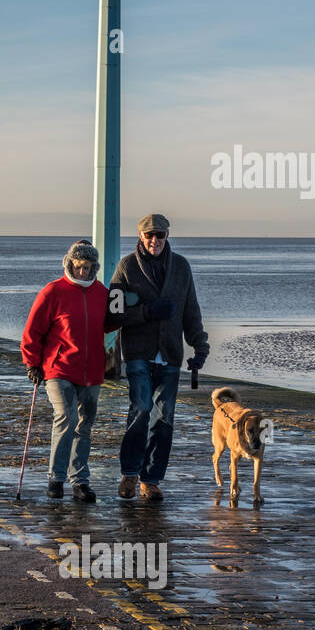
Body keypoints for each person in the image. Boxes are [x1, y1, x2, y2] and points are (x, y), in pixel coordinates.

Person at [108, 214, 209, 503]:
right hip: (138, 354)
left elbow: (191, 310)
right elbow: (114, 313)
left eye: (160, 236)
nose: (155, 241)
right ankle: (129, 473)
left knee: (163, 419)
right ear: (140, 236)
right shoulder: (126, 267)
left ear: (167, 236)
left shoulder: (181, 267)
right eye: (149, 235)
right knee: (140, 410)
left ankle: (150, 480)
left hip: (171, 356)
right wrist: (147, 312)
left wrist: (200, 348)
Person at [21, 240, 122, 502]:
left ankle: (80, 482)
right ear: (70, 264)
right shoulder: (52, 292)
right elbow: (33, 330)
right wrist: (31, 362)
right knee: (66, 418)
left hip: (92, 372)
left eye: (88, 267)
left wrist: (129, 313)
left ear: (94, 267)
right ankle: (56, 479)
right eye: (78, 266)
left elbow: (109, 324)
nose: (83, 272)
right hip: (59, 368)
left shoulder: (101, 292)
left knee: (85, 426)